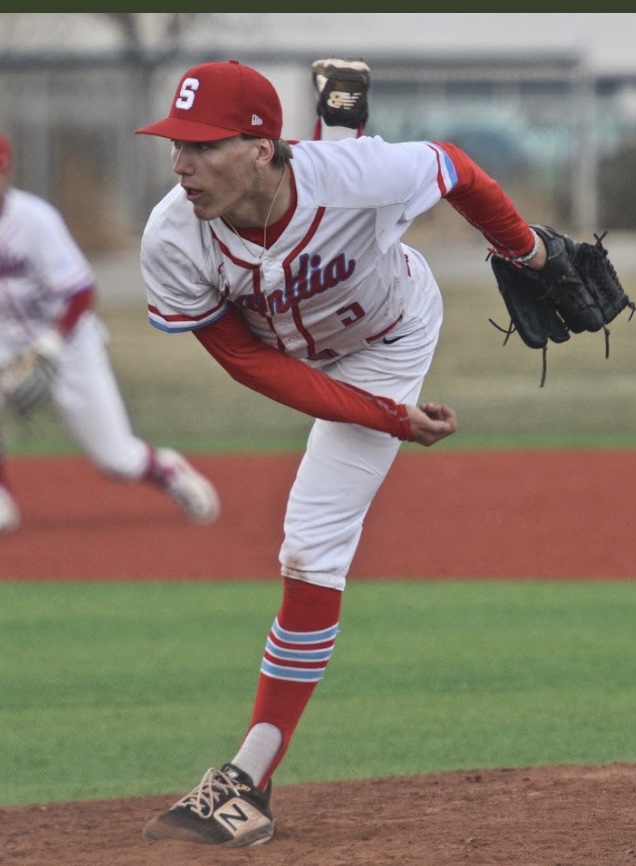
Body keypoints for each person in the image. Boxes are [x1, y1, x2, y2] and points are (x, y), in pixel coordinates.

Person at [134, 55, 549, 849]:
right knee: (328, 212)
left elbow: (455, 169)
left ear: (261, 146)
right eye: (174, 145)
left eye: (204, 144)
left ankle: (247, 782)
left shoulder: (363, 179)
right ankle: (342, 119)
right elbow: (253, 364)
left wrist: (528, 253)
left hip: (385, 336)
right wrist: (391, 422)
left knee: (311, 545)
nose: (182, 164)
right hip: (291, 349)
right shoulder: (173, 234)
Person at [0, 133, 220, 532]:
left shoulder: (35, 221)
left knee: (117, 459)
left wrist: (51, 342)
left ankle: (166, 470)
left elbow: (82, 290)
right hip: (5, 342)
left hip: (66, 344)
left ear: (6, 173)